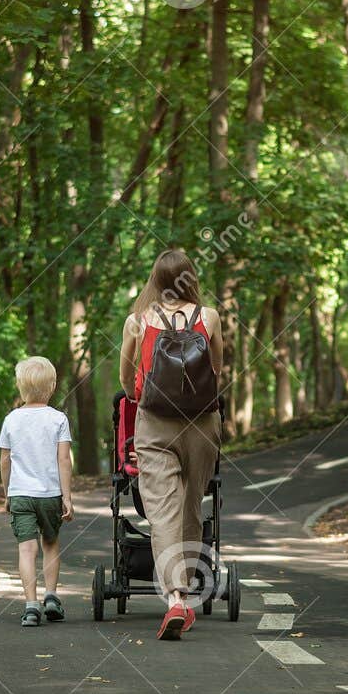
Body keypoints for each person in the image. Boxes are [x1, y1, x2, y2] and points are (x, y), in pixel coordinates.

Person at [119, 249, 223, 640]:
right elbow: (217, 369)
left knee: (162, 512)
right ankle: (189, 583)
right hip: (202, 424)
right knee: (192, 505)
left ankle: (175, 597)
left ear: (155, 281)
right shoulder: (208, 317)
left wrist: (139, 395)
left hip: (156, 425)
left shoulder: (137, 321)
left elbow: (126, 377)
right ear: (189, 277)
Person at [0, 356, 75, 628]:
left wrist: (8, 493)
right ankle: (51, 596)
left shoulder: (11, 419)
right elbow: (64, 460)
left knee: (26, 550)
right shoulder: (58, 419)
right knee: (50, 543)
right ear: (52, 387)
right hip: (50, 494)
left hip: (21, 494)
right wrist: (66, 496)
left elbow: (5, 461)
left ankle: (31, 606)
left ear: (20, 388)